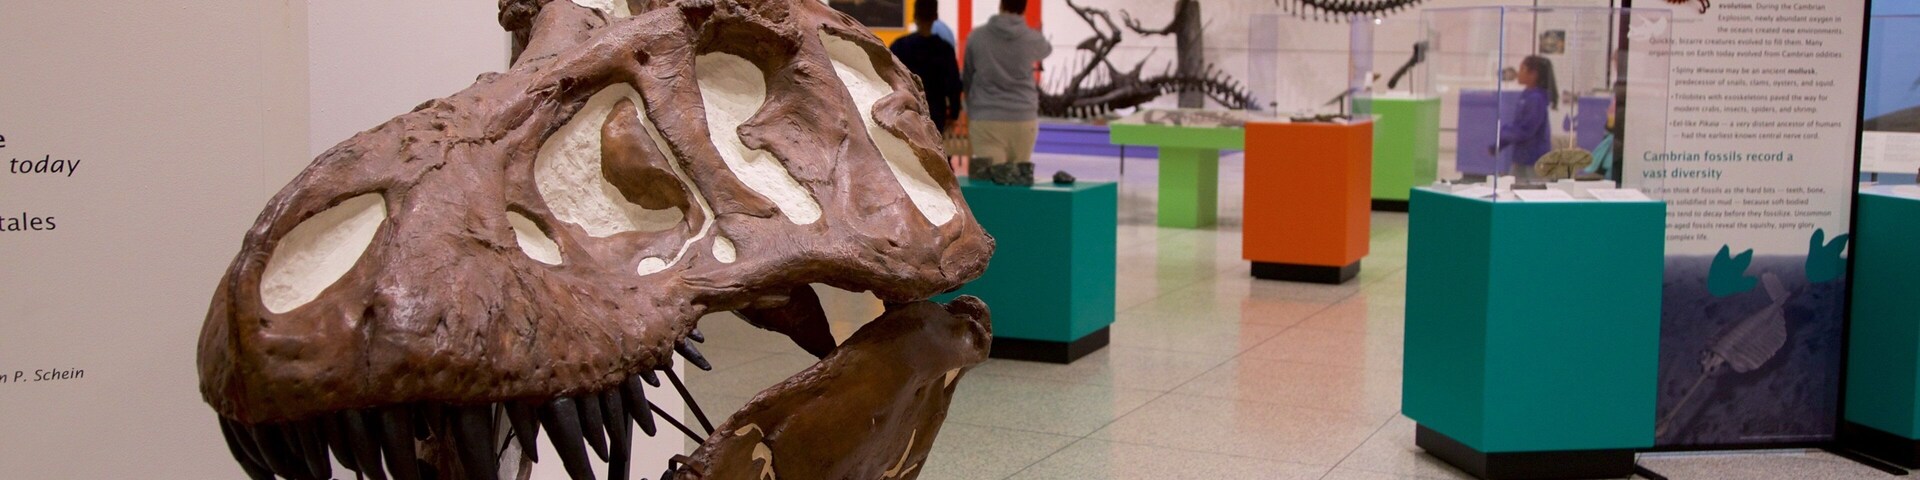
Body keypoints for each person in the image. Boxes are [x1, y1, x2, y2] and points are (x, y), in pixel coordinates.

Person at [963, 0, 1052, 167]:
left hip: (986, 119)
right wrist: (1037, 33)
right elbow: (1047, 49)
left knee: (991, 180)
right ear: (1024, 8)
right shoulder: (1032, 38)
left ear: (1001, 5)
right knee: (1018, 178)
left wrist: (970, 107)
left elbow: (967, 77)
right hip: (1023, 117)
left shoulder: (976, 36)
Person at [890, 0, 963, 133]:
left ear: (915, 16)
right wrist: (954, 113)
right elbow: (953, 85)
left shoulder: (899, 46)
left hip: (906, 110)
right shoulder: (944, 49)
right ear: (935, 16)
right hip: (935, 112)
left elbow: (889, 77)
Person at [1496, 55, 1558, 182]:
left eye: (1522, 69)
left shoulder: (1536, 99)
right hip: (1522, 157)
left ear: (1533, 74)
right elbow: (1518, 125)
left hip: (1535, 159)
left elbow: (1526, 129)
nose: (1518, 73)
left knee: (1535, 190)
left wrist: (1504, 137)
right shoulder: (1527, 95)